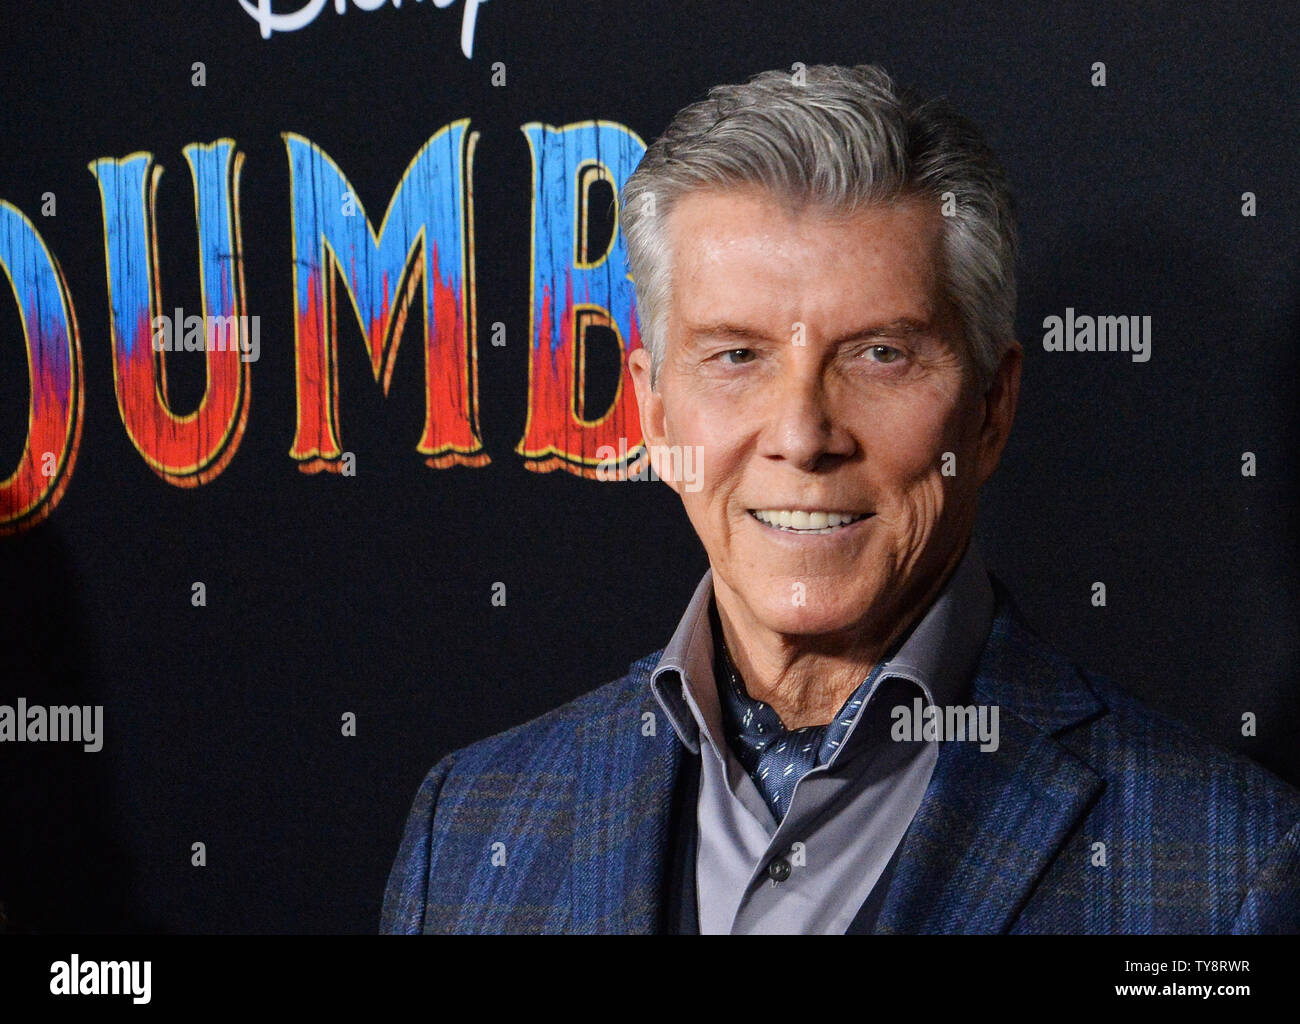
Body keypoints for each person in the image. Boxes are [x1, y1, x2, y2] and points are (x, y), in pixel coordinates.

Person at [380, 63, 1300, 934]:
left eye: (879, 355)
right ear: (655, 415)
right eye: (737, 356)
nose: (803, 434)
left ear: (990, 410)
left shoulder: (1225, 871)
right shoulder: (468, 831)